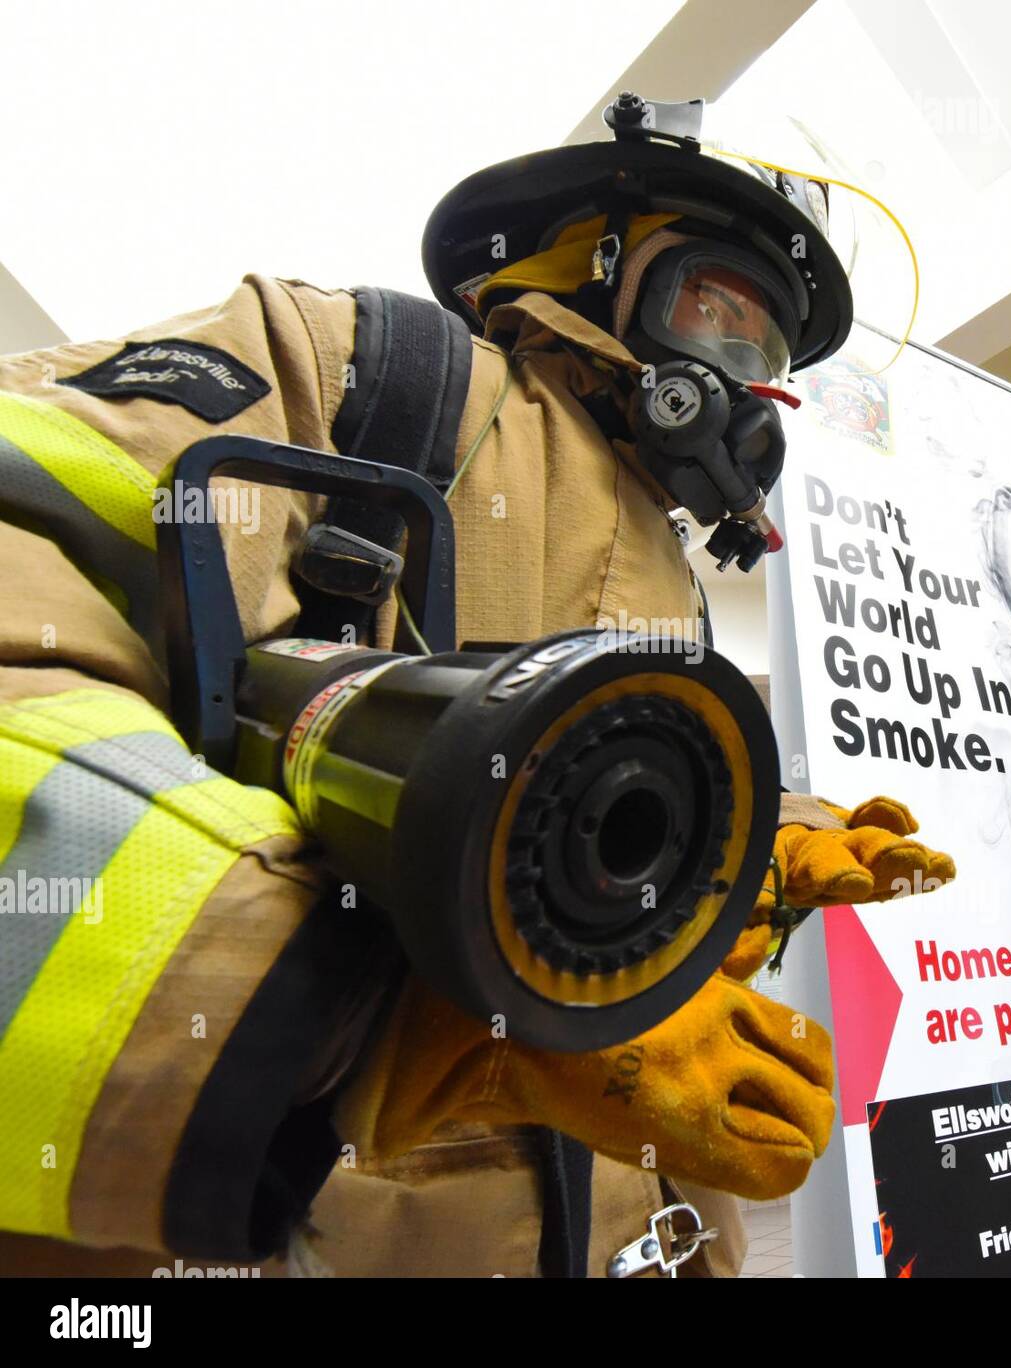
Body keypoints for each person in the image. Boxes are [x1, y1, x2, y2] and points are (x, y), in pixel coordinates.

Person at [0, 94, 953, 1277]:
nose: (744, 385)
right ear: (585, 269)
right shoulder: (354, 369)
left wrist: (736, 863)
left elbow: (584, 884)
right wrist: (350, 1016)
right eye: (718, 312)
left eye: (768, 359)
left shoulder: (675, 581)